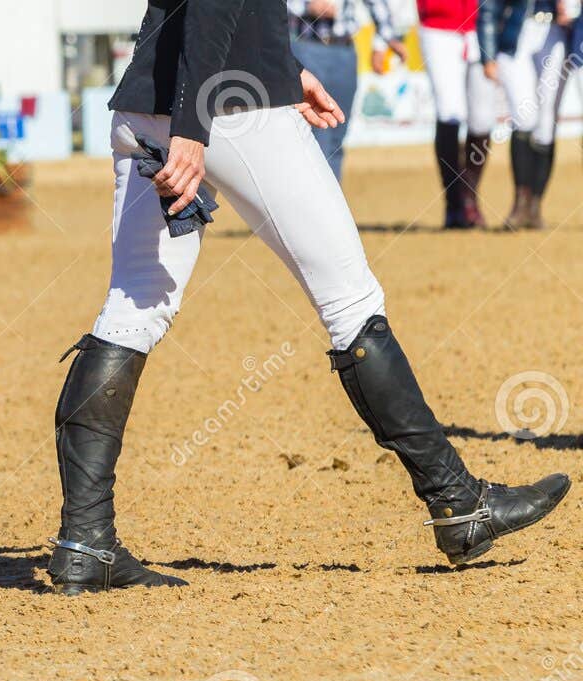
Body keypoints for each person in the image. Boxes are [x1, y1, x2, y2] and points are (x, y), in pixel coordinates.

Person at [48, 0, 569, 596]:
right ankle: (460, 504)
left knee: (134, 303)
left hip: (148, 103)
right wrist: (195, 130)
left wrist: (284, 66)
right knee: (351, 300)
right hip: (227, 110)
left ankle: (84, 541)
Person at [287, 0, 408, 180]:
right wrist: (306, 5)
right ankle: (314, 204)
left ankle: (330, 204)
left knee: (336, 138)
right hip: (305, 45)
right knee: (315, 138)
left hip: (344, 50)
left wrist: (384, 40)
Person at [482, 0, 574, 228]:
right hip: (517, 33)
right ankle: (519, 203)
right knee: (524, 117)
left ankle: (535, 205)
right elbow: (488, 7)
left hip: (556, 32)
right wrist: (488, 51)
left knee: (545, 125)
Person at [418, 0, 499, 227]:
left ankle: (469, 197)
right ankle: (454, 204)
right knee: (449, 112)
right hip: (438, 26)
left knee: (483, 119)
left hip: (483, 26)